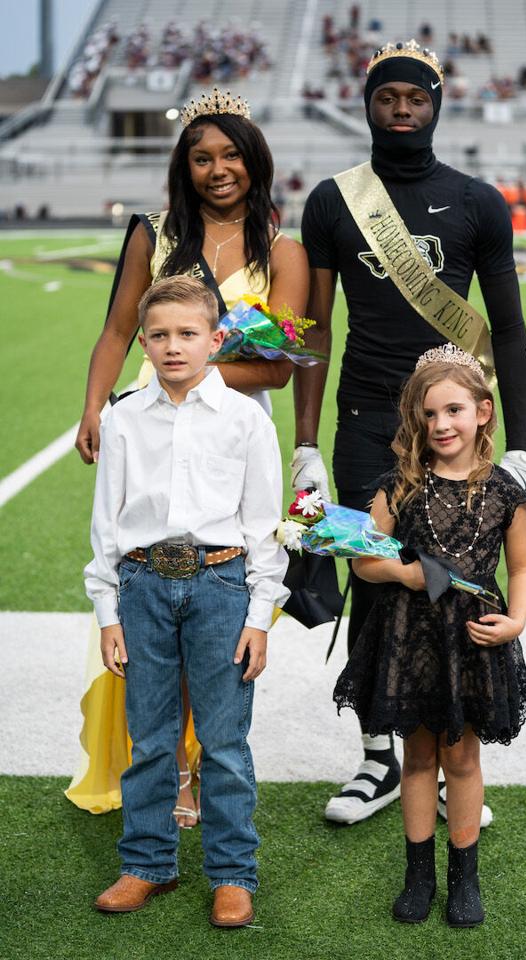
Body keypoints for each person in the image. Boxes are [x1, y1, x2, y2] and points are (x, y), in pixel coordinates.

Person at [293, 40, 526, 825]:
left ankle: (451, 752)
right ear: (368, 104)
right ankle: (379, 762)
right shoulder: (333, 200)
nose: (402, 110)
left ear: (436, 105)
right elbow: (316, 331)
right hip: (366, 424)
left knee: (454, 582)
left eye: (416, 99)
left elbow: (509, 335)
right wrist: (303, 440)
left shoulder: (477, 201)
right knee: (373, 580)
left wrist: (520, 445)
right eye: (388, 97)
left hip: (451, 427)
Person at [68, 88, 308, 825]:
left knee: (219, 608)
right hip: (149, 425)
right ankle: (168, 769)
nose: (218, 169)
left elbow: (278, 365)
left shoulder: (286, 251)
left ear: (254, 159)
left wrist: (188, 371)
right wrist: (94, 405)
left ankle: (209, 764)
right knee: (148, 591)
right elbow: (118, 329)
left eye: (231, 153)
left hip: (229, 434)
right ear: (185, 166)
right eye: (201, 157)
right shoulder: (156, 232)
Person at [86, 275, 288, 924]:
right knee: (150, 736)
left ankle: (233, 873)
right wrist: (108, 612)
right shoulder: (121, 418)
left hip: (221, 587)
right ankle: (147, 864)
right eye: (161, 335)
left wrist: (260, 617)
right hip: (143, 587)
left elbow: (263, 527)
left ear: (216, 340)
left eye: (188, 334)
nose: (174, 347)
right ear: (144, 342)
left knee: (225, 741)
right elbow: (106, 524)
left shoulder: (245, 420)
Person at [333, 345, 526, 926]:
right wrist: (405, 571)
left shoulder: (504, 493)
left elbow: (521, 570)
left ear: (482, 413)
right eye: (430, 414)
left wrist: (517, 620)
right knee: (419, 756)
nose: (442, 424)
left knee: (464, 760)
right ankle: (418, 873)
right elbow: (364, 562)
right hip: (410, 639)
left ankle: (464, 876)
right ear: (417, 420)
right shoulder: (399, 484)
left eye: (454, 410)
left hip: (473, 640)